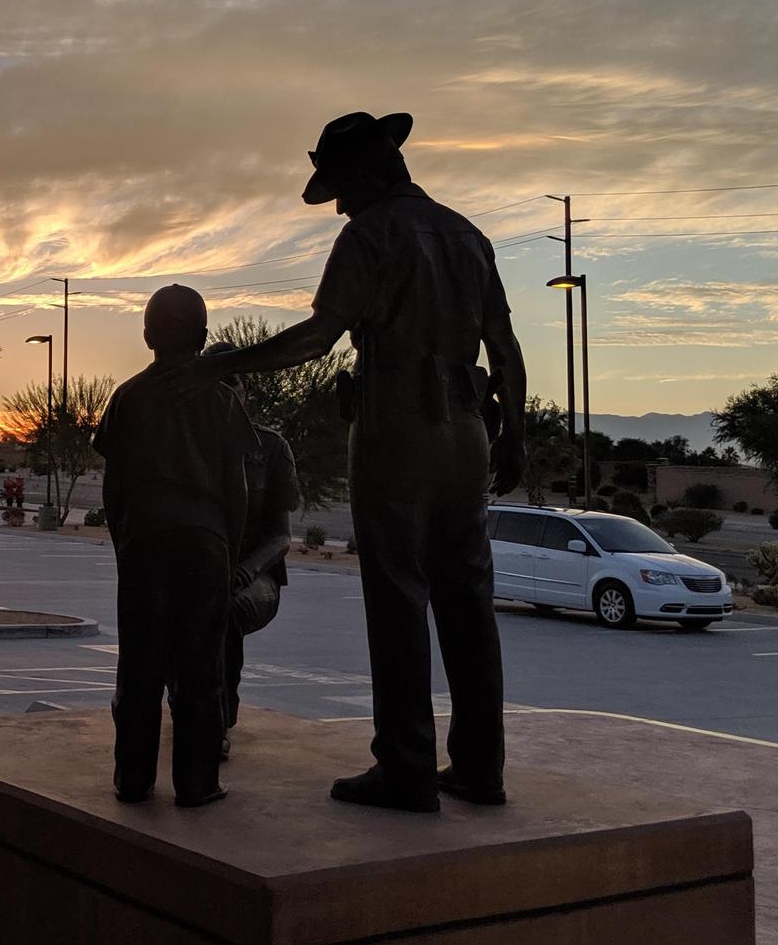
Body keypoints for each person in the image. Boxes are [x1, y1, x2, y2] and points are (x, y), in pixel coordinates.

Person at [180, 112, 526, 812]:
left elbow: (317, 337)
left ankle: (404, 766)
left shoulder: (369, 234)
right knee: (468, 604)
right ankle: (481, 768)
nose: (336, 204)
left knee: (399, 599)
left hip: (397, 430)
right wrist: (514, 432)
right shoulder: (468, 234)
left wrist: (228, 365)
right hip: (467, 434)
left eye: (339, 188)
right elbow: (505, 346)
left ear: (368, 176)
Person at [94, 285, 254, 808]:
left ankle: (133, 779)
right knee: (200, 667)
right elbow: (237, 490)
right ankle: (197, 781)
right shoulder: (224, 402)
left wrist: (126, 545)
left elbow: (113, 490)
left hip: (144, 542)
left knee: (138, 665)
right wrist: (227, 550)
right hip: (205, 544)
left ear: (146, 336)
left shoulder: (128, 397)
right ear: (205, 337)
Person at [201, 342, 298, 757]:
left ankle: (216, 720)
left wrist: (242, 572)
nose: (224, 389)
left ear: (248, 392)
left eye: (233, 381)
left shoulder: (271, 448)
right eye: (215, 380)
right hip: (199, 569)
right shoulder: (189, 444)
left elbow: (281, 536)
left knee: (222, 609)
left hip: (253, 578)